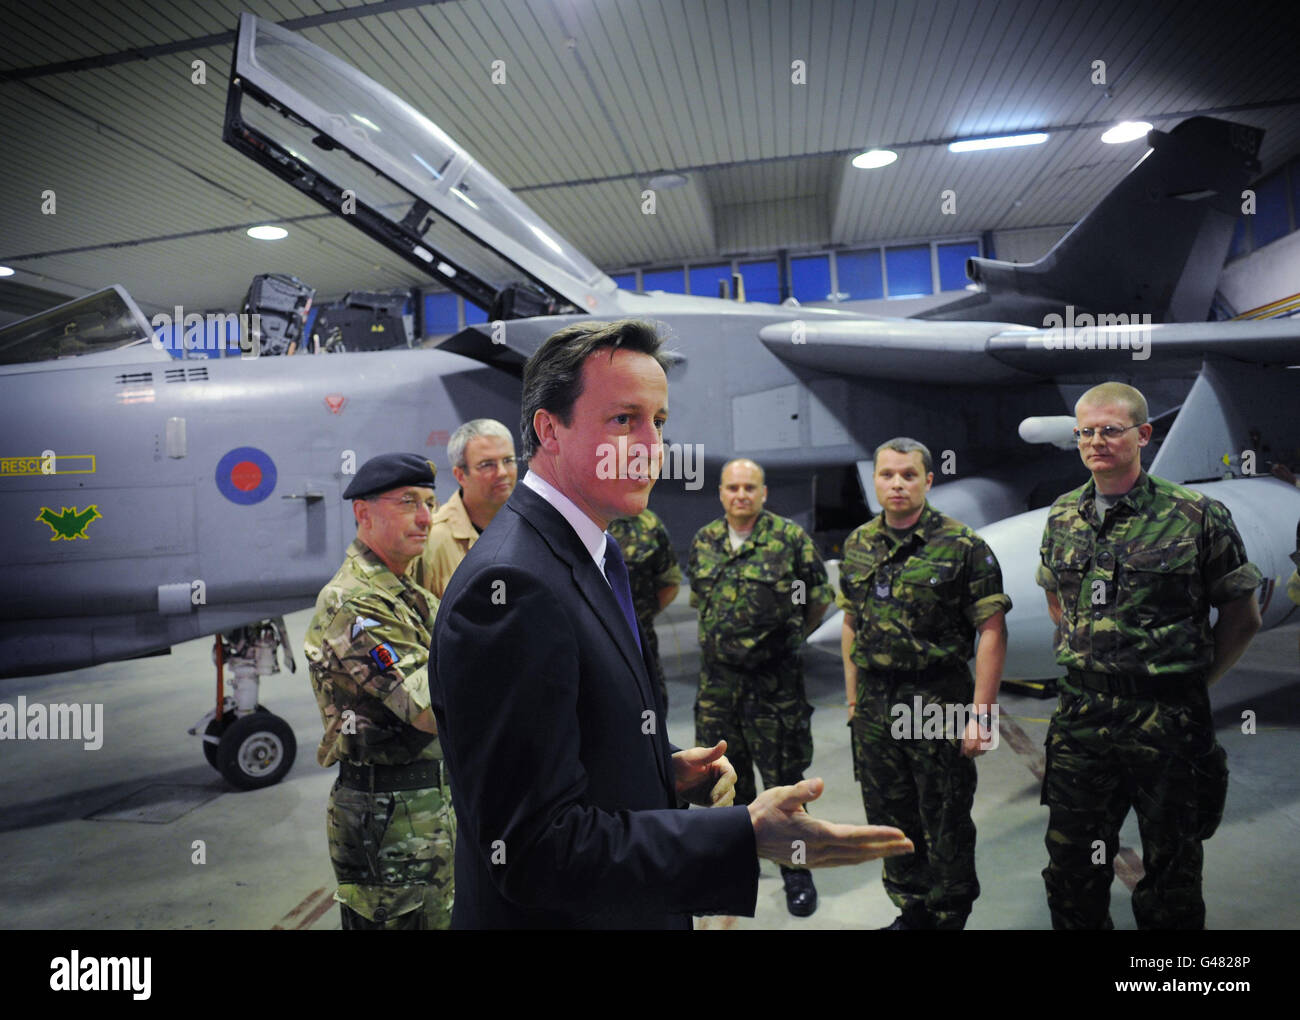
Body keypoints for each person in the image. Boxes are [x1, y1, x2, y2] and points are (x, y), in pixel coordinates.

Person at [429, 318, 913, 929]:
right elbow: (533, 850)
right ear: (549, 430)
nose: (653, 447)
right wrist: (742, 835)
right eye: (623, 420)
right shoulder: (511, 587)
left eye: (658, 422)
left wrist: (658, 770)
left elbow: (570, 743)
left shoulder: (587, 552)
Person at [1037, 382, 1262, 929]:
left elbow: (1243, 615)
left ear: (1143, 435)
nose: (1096, 441)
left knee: (1172, 869)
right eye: (1086, 432)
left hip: (1169, 719)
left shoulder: (1196, 515)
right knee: (1072, 865)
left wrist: (1193, 683)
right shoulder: (1063, 515)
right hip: (1083, 718)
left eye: (1111, 430)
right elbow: (1057, 600)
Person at [838, 438, 1010, 930]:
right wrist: (853, 701)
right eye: (887, 474)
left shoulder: (962, 545)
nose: (897, 484)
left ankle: (950, 915)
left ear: (928, 481)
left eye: (908, 475)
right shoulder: (858, 543)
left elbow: (992, 630)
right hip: (875, 702)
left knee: (945, 816)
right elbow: (850, 622)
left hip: (936, 699)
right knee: (888, 814)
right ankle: (911, 909)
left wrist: (981, 715)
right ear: (874, 480)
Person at [303, 453, 455, 930]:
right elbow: (428, 709)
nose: (426, 518)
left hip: (428, 805)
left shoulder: (409, 595)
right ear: (363, 513)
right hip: (389, 819)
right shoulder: (355, 602)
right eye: (408, 502)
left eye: (430, 503)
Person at [688, 458, 834, 917]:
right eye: (732, 487)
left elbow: (817, 598)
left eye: (749, 487)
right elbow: (700, 601)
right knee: (726, 782)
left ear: (764, 493)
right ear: (720, 492)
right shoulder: (705, 540)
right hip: (719, 688)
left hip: (775, 688)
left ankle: (796, 869)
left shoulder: (789, 540)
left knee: (784, 782)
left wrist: (785, 640)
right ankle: (739, 866)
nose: (741, 495)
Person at [410, 418, 517, 598]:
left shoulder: (531, 528)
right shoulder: (434, 540)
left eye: (508, 460)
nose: (502, 472)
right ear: (460, 475)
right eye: (487, 465)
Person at [607, 507, 681, 708]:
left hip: (639, 643)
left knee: (649, 712)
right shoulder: (569, 516)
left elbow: (669, 583)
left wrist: (639, 618)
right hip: (585, 649)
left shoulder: (648, 524)